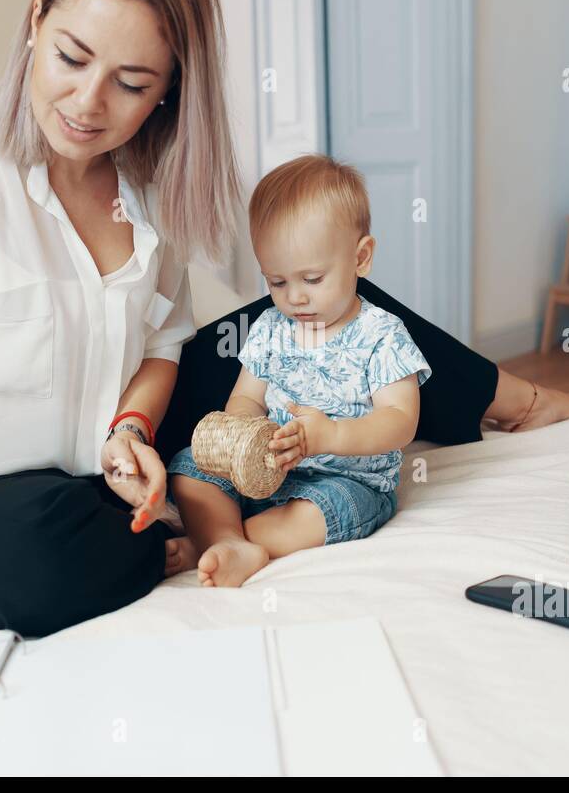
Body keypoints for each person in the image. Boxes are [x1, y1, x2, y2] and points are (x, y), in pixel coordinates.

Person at [0, 0, 569, 639]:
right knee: (13, 570)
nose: (87, 103)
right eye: (72, 58)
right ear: (36, 19)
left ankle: (526, 401)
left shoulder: (152, 189)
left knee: (325, 305)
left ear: (170, 88)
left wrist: (132, 430)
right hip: (6, 490)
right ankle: (185, 524)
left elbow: (166, 344)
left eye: (132, 83)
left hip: (139, 436)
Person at [168, 155, 430, 587]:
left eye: (312, 279)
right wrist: (245, 433)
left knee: (326, 512)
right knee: (188, 468)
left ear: (360, 258)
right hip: (268, 475)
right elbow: (246, 397)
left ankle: (218, 541)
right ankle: (228, 536)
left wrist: (331, 436)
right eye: (277, 282)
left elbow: (401, 421)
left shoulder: (382, 334)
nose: (295, 298)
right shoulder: (271, 327)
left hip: (347, 480)